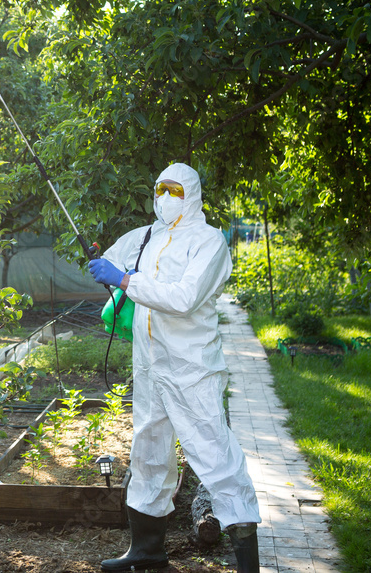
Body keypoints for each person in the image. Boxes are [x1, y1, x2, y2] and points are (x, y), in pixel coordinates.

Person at [87, 162, 261, 573]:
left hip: (191, 369)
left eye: (175, 190)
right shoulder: (147, 236)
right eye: (160, 189)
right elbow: (111, 259)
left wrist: (127, 281)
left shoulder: (208, 242)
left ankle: (248, 565)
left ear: (192, 194)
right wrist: (100, 262)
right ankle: (147, 552)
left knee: (216, 457)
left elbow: (183, 298)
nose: (165, 198)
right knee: (148, 453)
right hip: (149, 366)